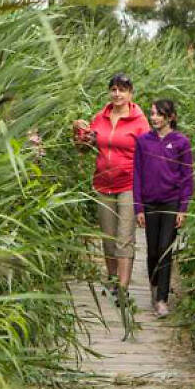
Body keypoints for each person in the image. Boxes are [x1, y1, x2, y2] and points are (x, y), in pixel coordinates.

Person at [72, 74, 149, 306]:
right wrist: (78, 132)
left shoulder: (139, 121)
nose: (117, 94)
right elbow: (84, 149)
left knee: (124, 238)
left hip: (129, 184)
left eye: (122, 90)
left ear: (130, 94)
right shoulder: (100, 118)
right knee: (107, 237)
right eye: (114, 89)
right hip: (103, 184)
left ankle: (123, 290)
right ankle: (113, 279)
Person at [132, 98, 195, 318]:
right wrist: (138, 207)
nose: (154, 118)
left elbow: (187, 176)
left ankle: (161, 299)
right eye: (152, 113)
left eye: (159, 114)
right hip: (149, 202)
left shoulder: (181, 142)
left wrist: (183, 208)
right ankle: (154, 285)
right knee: (152, 251)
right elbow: (137, 174)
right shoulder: (143, 141)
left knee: (165, 250)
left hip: (171, 202)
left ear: (171, 117)